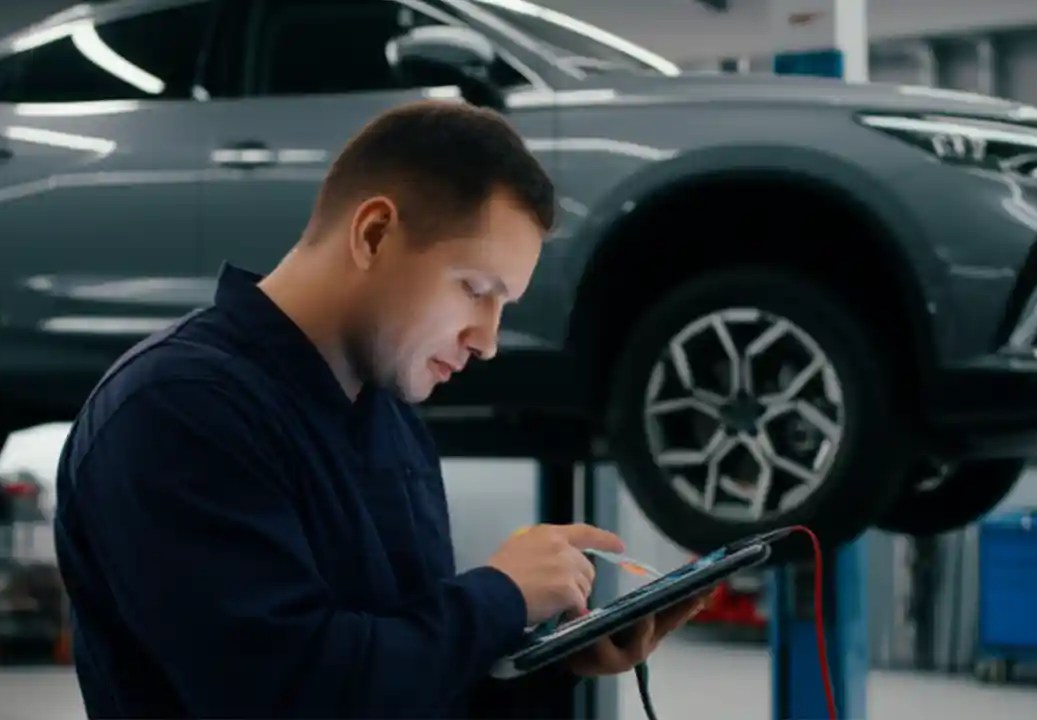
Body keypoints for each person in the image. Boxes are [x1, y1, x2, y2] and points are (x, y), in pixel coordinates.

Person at [53, 99, 707, 719]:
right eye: (475, 289)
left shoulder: (390, 425)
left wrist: (546, 663)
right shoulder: (175, 410)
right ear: (373, 234)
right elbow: (287, 697)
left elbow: (403, 689)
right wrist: (501, 596)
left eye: (502, 306)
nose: (487, 341)